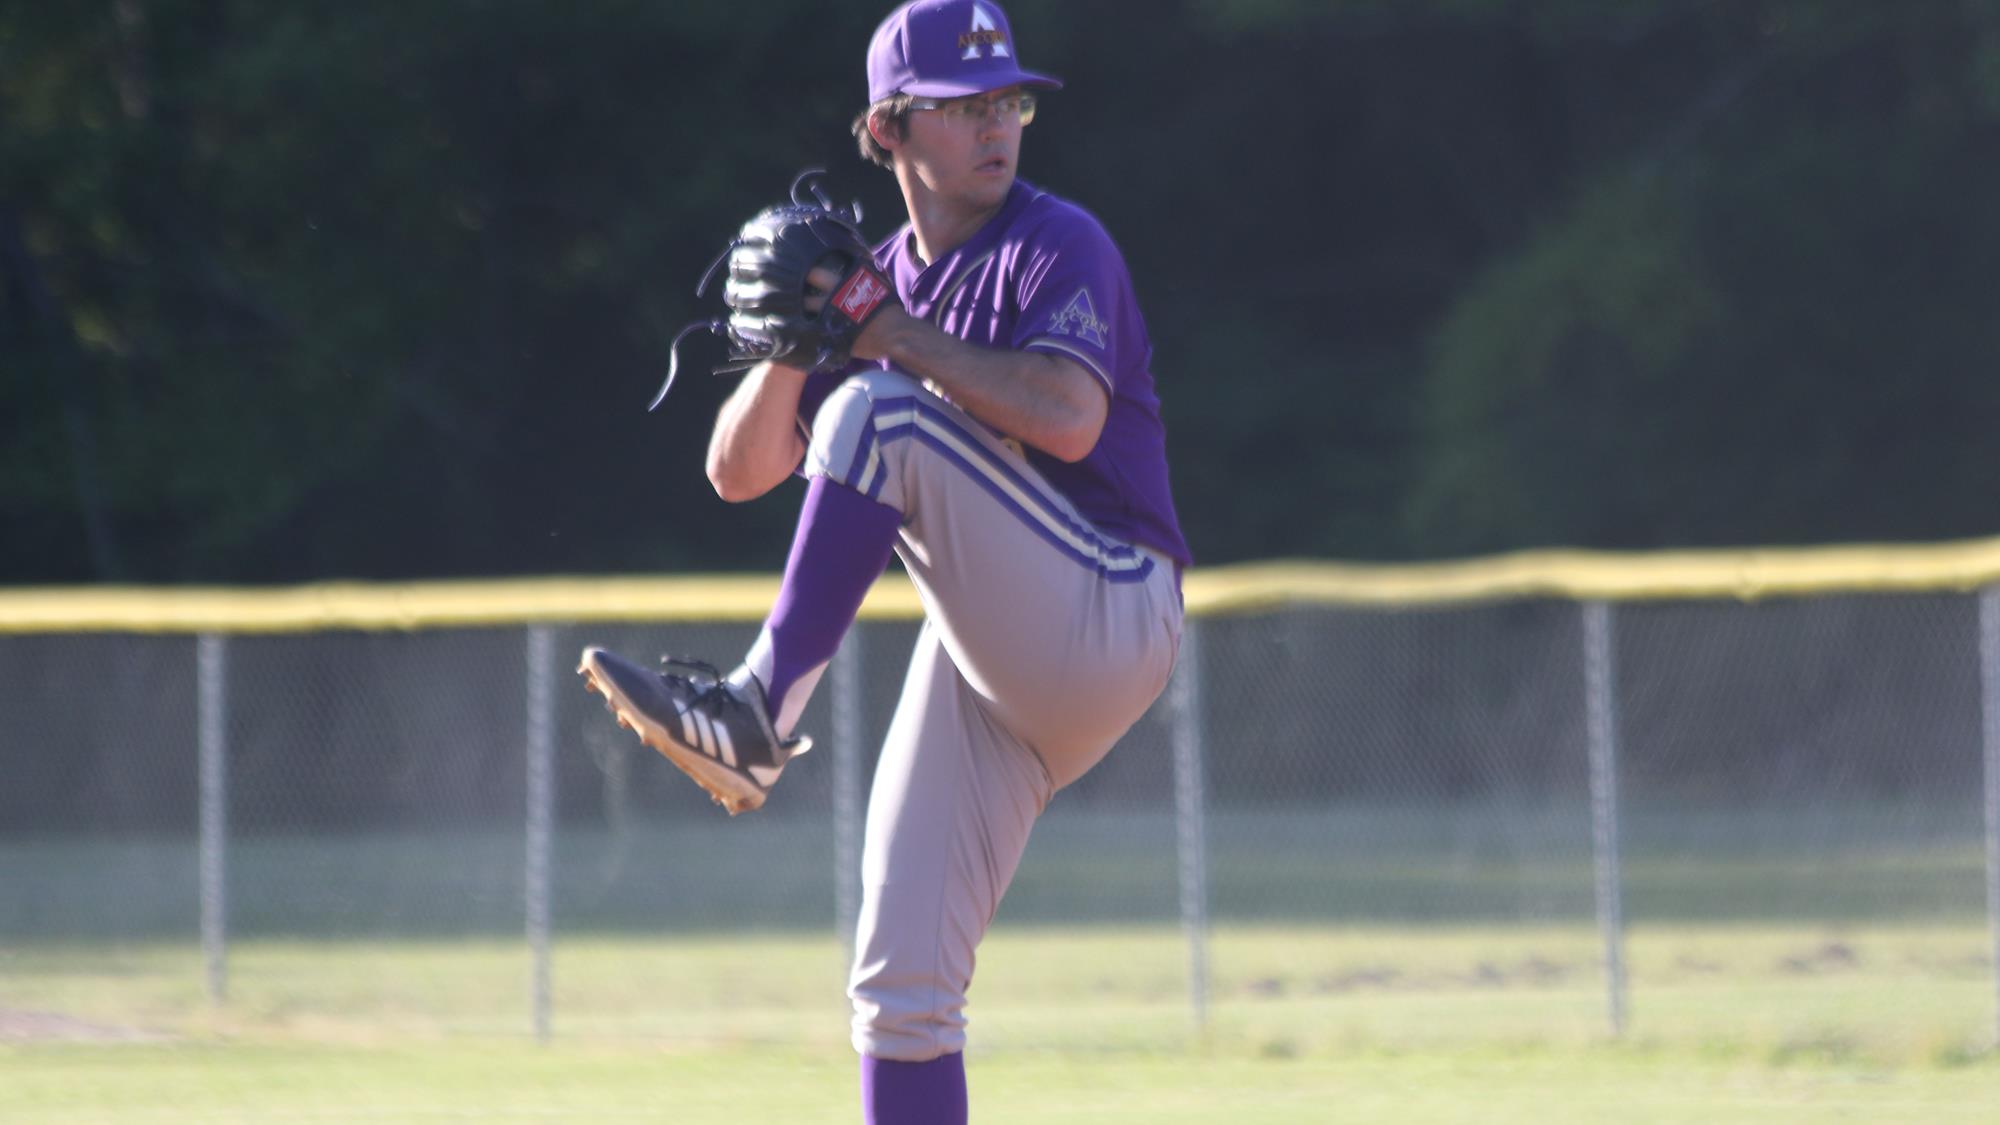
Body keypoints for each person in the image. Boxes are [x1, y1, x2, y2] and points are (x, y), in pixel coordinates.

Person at [578, 1, 1189, 1120]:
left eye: (1007, 101)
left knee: (880, 414)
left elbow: (1066, 418)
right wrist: (785, 346)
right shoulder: (878, 287)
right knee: (900, 991)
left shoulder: (1058, 243)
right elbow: (735, 471)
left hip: (1110, 608)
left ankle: (756, 713)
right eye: (961, 108)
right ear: (887, 131)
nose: (997, 124)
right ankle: (754, 721)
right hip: (992, 669)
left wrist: (880, 338)